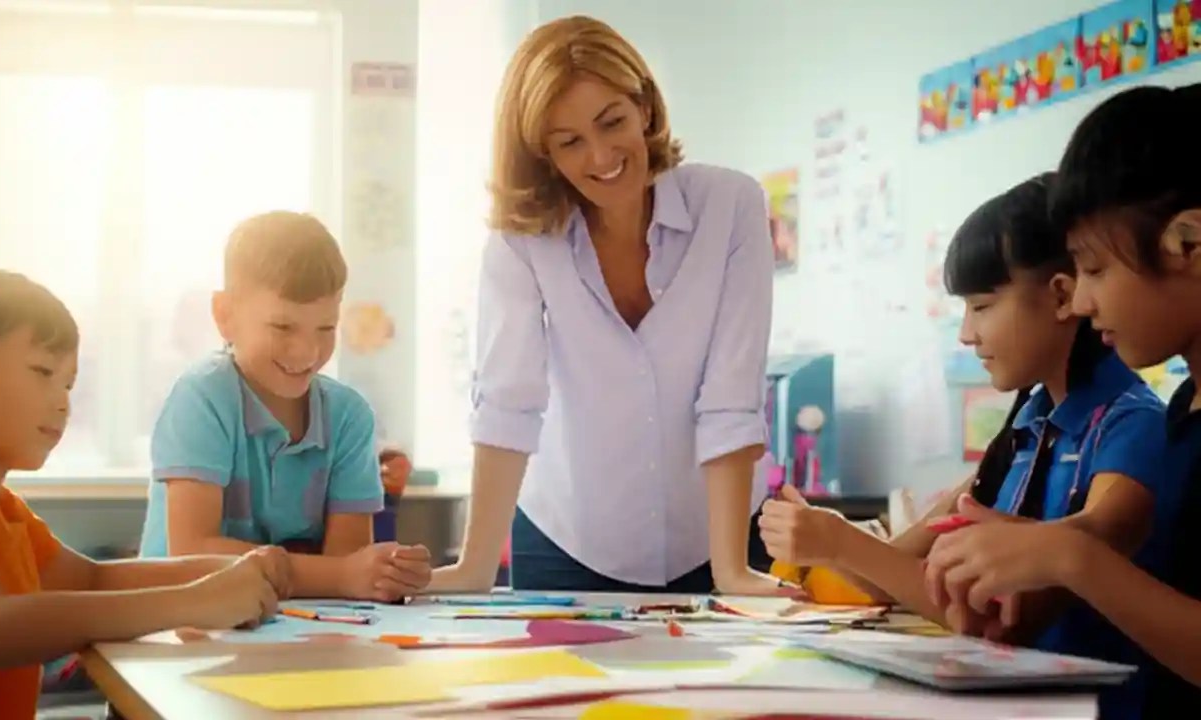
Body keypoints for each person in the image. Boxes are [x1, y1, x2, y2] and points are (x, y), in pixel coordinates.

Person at [760, 173, 1175, 718]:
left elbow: (1000, 617)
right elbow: (897, 569)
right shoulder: (1025, 428)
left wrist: (839, 543)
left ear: (1060, 296)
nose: (965, 334)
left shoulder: (1131, 426)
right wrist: (819, 541)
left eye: (981, 306)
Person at [428, 15, 786, 595]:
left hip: (717, 539)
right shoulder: (522, 241)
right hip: (569, 540)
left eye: (611, 122)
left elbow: (730, 396)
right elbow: (507, 403)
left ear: (644, 106)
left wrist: (731, 572)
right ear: (543, 154)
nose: (600, 156)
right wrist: (472, 568)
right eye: (569, 142)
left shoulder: (730, 205)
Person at [923, 83, 1201, 716]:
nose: (1080, 302)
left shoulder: (1132, 422)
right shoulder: (1184, 411)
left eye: (1095, 270)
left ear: (1188, 243)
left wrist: (1071, 555)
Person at [0, 270, 287, 720]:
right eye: (42, 372)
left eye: (69, 384)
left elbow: (94, 580)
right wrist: (196, 602)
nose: (63, 402)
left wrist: (232, 569)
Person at [138, 211, 431, 601]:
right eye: (283, 327)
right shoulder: (202, 398)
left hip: (287, 626)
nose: (307, 352)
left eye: (326, 328)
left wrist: (386, 572)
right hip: (175, 624)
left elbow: (348, 567)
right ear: (225, 316)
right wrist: (341, 574)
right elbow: (192, 552)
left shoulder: (349, 417)